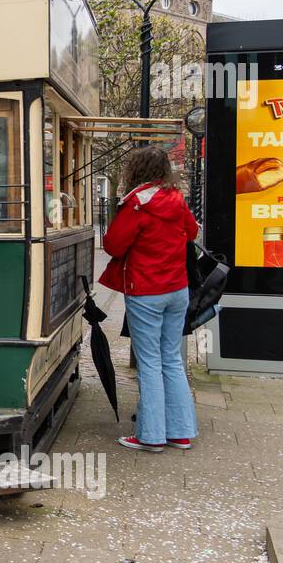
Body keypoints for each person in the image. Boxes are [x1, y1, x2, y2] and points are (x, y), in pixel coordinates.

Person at [99, 146, 200, 452]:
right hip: (177, 290)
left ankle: (151, 435)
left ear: (136, 171)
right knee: (171, 360)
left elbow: (114, 246)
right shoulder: (176, 200)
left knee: (149, 363)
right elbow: (192, 232)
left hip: (146, 291)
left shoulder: (137, 205)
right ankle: (180, 432)